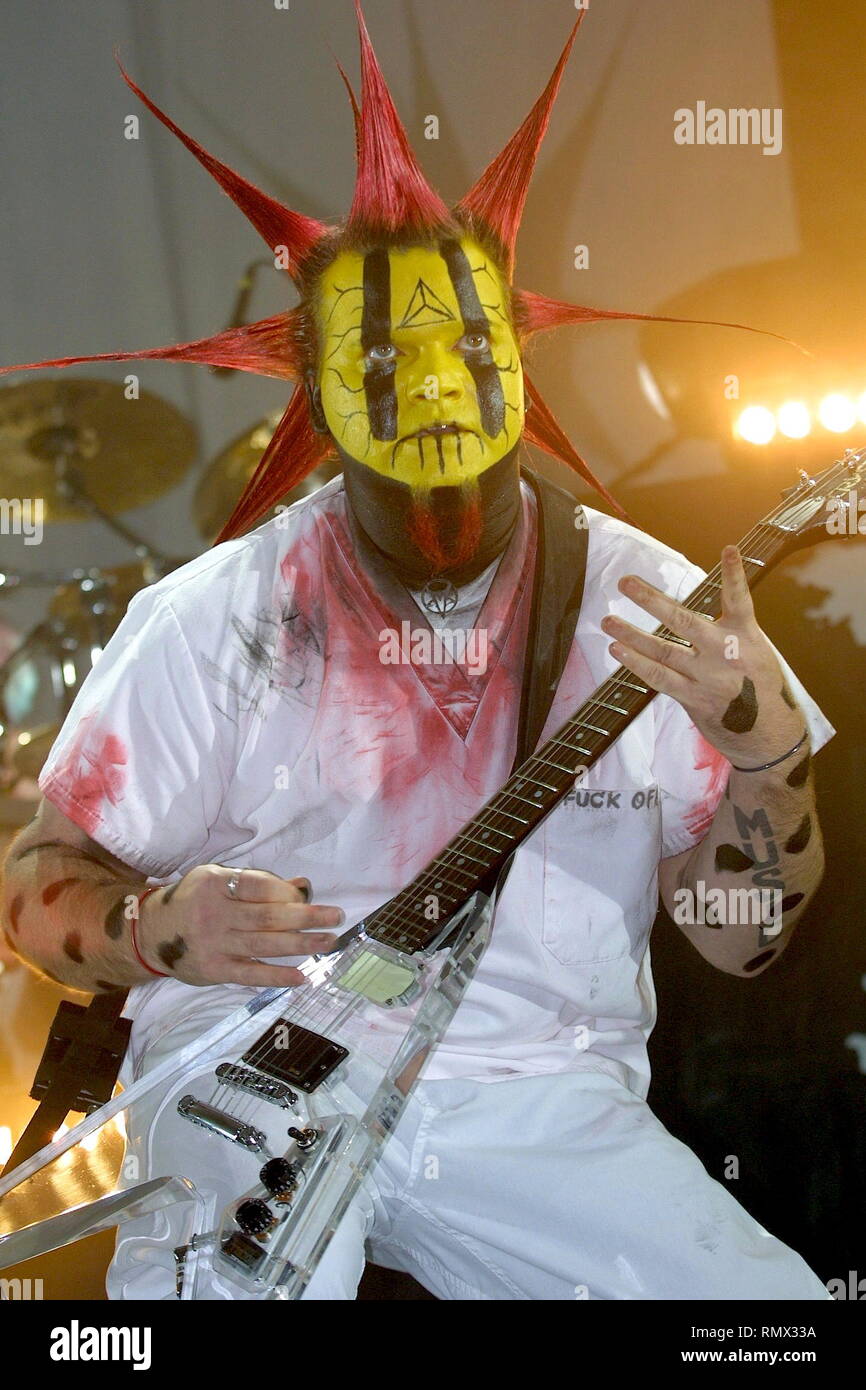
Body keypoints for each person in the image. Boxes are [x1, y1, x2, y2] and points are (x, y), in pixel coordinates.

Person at [0, 4, 834, 1300]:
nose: (433, 376)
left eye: (464, 337)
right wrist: (161, 923)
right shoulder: (216, 615)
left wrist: (768, 755)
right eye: (381, 348)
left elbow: (742, 945)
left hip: (533, 1096)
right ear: (317, 390)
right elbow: (31, 889)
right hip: (248, 1065)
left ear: (514, 351)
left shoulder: (650, 598)